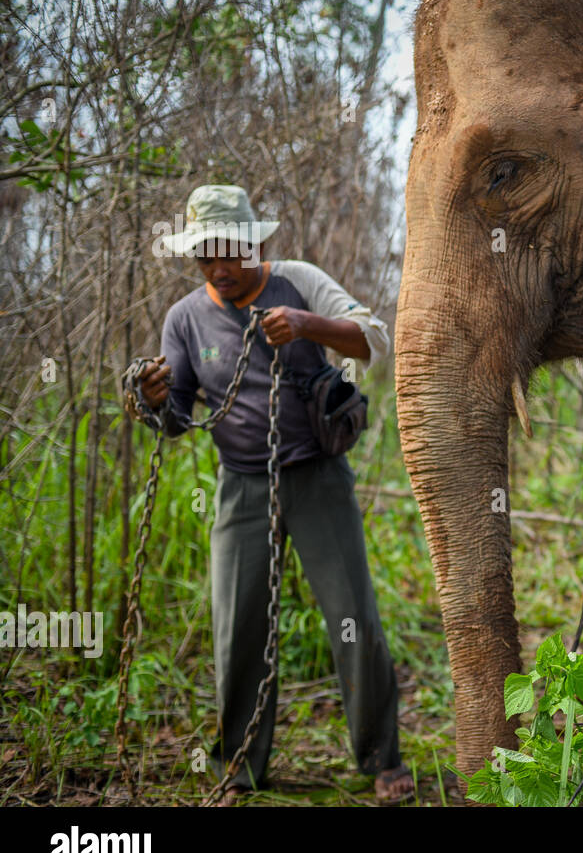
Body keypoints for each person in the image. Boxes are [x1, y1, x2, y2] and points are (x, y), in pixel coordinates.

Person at [132, 184, 413, 804]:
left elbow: (374, 338)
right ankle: (240, 766)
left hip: (316, 475)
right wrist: (153, 401)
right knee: (238, 629)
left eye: (231, 250)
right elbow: (177, 419)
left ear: (255, 243)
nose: (220, 267)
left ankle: (381, 758)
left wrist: (308, 325)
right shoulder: (185, 319)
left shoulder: (298, 282)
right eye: (206, 254)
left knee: (352, 620)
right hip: (241, 485)